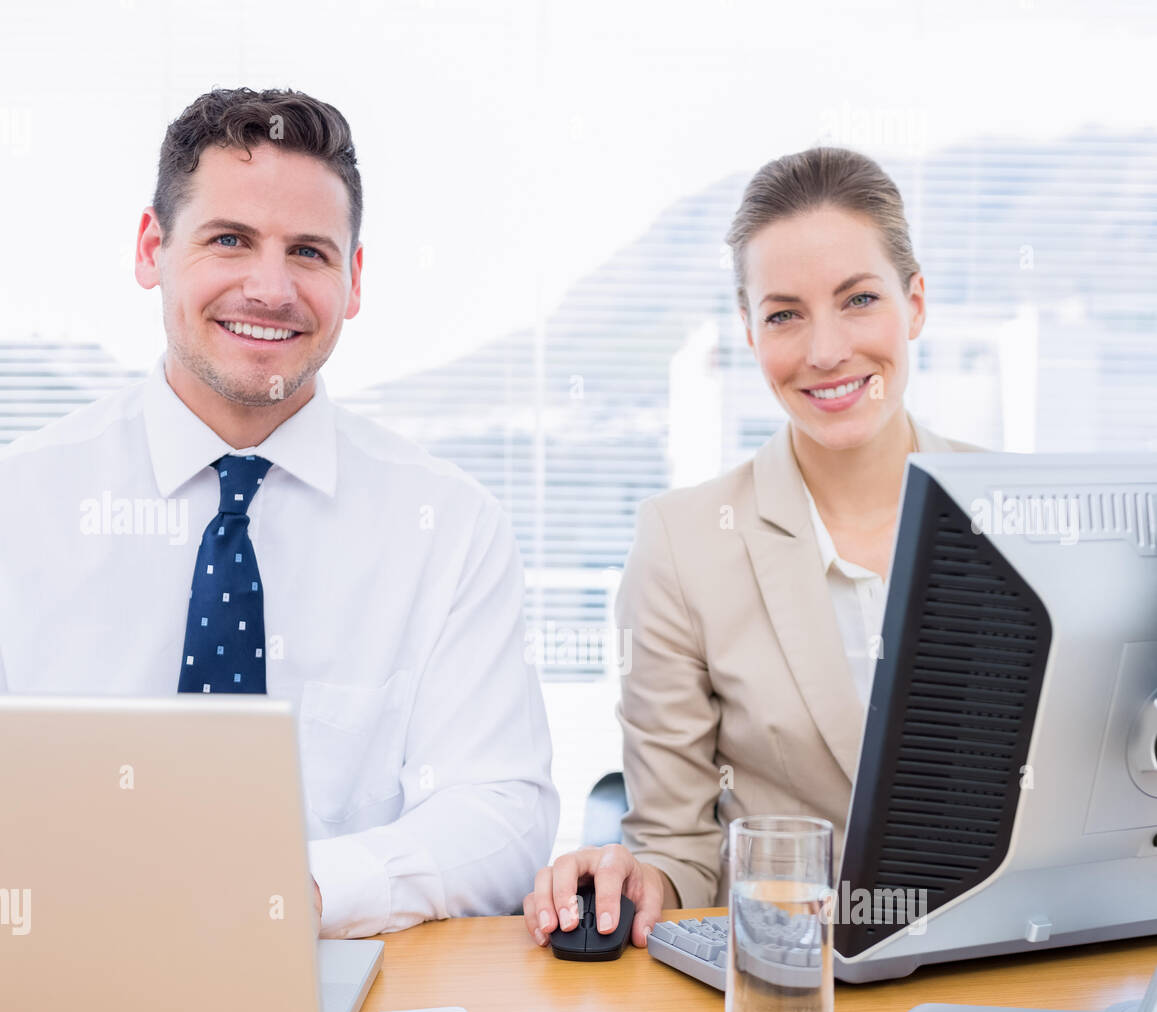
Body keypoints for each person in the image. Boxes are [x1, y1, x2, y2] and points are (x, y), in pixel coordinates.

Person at [0, 87, 559, 938]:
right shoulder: (21, 504)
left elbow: (501, 814)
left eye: (308, 252)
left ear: (353, 281)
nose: (269, 287)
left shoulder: (448, 527)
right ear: (153, 249)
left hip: (333, 970)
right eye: (230, 240)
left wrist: (298, 891)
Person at [524, 145, 982, 950]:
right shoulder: (683, 546)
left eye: (858, 300)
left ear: (913, 304)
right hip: (788, 988)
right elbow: (676, 846)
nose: (825, 351)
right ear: (747, 329)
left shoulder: (1026, 515)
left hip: (1023, 969)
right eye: (783, 314)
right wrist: (638, 878)